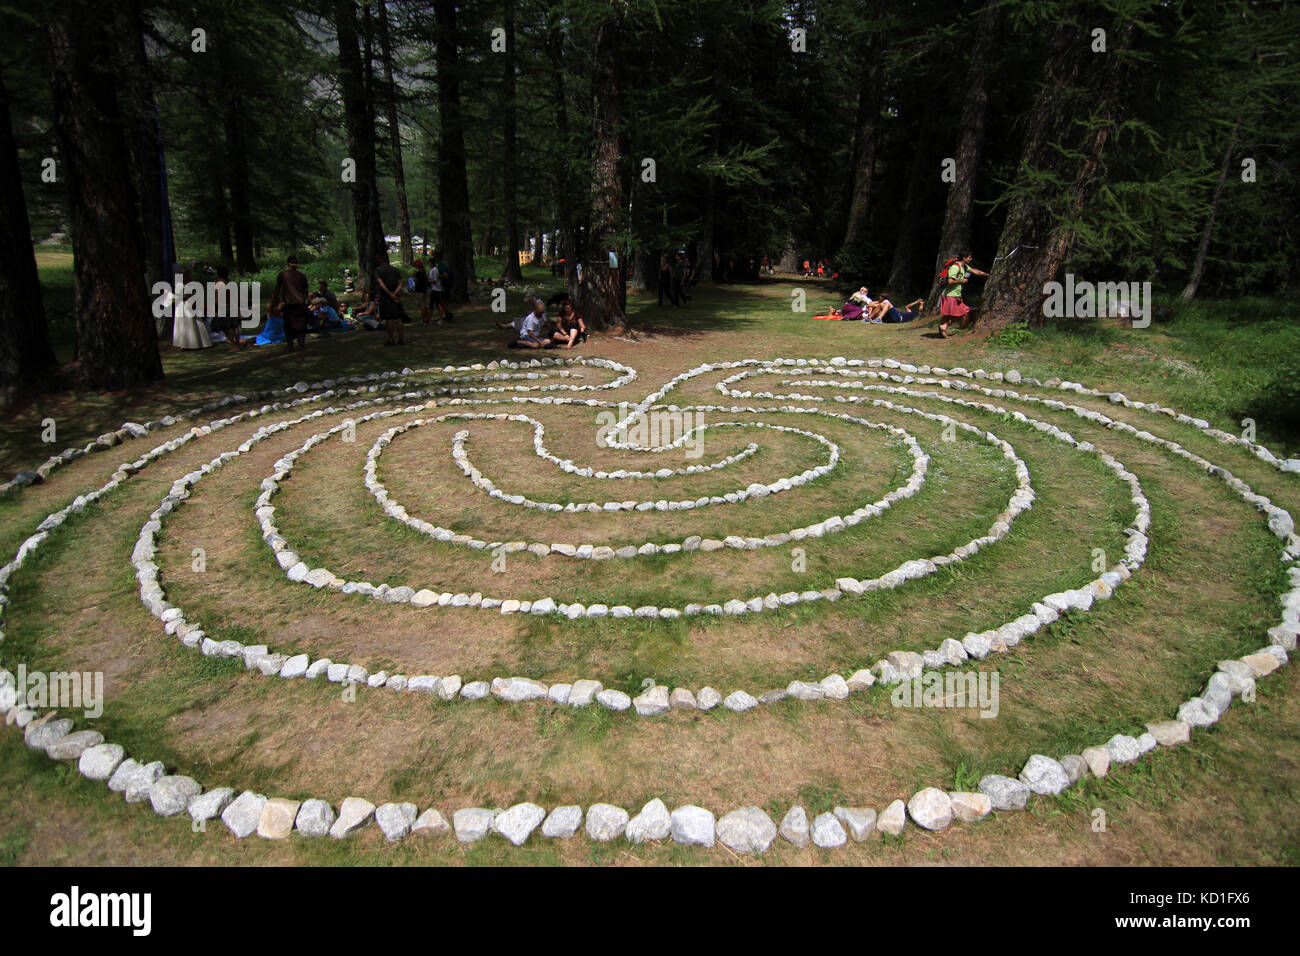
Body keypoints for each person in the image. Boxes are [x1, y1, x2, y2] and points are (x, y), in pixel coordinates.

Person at [938, 251, 989, 336]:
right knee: (962, 312)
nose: (971, 259)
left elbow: (975, 271)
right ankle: (944, 326)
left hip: (956, 295)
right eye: (969, 257)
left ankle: (943, 329)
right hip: (950, 295)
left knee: (952, 315)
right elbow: (950, 281)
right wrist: (961, 280)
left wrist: (986, 274)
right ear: (964, 258)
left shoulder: (964, 266)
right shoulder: (955, 267)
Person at [272, 254, 311, 350]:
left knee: (288, 324)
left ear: (288, 263)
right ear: (297, 264)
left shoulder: (283, 274)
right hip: (300, 302)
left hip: (289, 303)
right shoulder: (302, 276)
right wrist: (308, 301)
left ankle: (290, 344)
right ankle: (301, 342)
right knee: (301, 323)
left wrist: (275, 301)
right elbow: (306, 290)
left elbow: (277, 289)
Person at [373, 252, 405, 346]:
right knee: (398, 317)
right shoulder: (394, 269)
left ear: (380, 259)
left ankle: (391, 339)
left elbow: (381, 283)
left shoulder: (378, 270)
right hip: (395, 296)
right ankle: (401, 338)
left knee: (389, 318)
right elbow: (400, 283)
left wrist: (389, 294)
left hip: (386, 296)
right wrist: (395, 293)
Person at [211, 267, 245, 350]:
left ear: (218, 274)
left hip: (224, 308)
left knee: (225, 328)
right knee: (234, 326)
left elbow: (216, 299)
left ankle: (234, 345)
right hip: (233, 306)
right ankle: (237, 344)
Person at [412, 259, 431, 324]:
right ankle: (428, 318)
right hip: (425, 290)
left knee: (422, 306)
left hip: (419, 291)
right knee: (426, 305)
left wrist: (414, 276)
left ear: (417, 265)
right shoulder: (424, 272)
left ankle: (424, 320)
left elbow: (415, 281)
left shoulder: (418, 273)